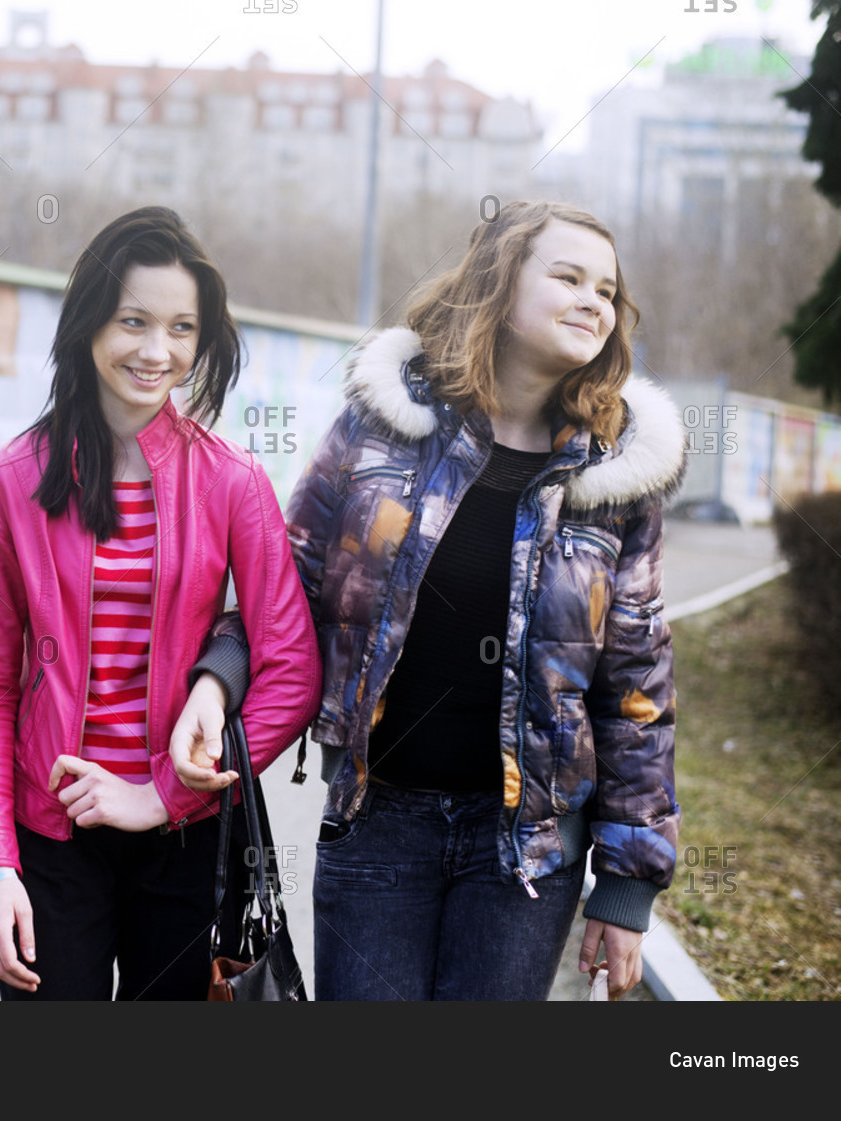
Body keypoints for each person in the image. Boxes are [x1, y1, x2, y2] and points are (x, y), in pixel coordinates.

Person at [171, 200, 685, 1001]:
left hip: (525, 854)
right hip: (378, 821)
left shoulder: (615, 482)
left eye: (607, 290)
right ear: (499, 285)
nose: (595, 300)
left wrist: (627, 887)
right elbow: (289, 585)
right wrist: (218, 677)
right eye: (568, 277)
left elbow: (638, 692)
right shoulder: (381, 428)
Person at [0, 206, 320, 1000]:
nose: (158, 352)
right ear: (89, 321)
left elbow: (292, 669)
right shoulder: (7, 481)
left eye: (182, 328)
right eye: (134, 321)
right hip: (51, 837)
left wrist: (163, 792)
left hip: (183, 844)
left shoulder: (233, 481)